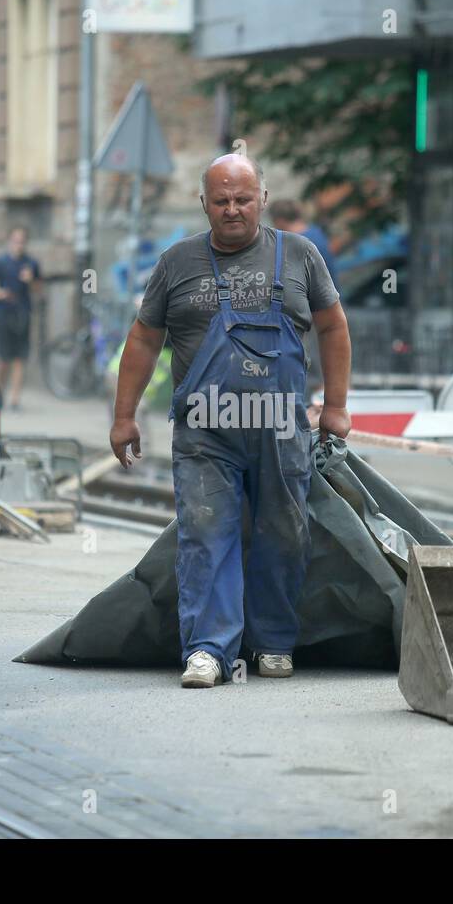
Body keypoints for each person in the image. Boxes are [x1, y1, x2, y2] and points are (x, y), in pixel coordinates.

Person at [109, 154, 352, 689]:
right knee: (205, 530)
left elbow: (333, 327)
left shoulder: (301, 257)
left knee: (283, 531)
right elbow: (144, 339)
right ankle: (208, 650)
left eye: (243, 198)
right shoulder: (176, 263)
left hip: (281, 428)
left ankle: (273, 641)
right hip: (205, 431)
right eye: (221, 200)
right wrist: (124, 416)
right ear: (204, 204)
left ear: (262, 199)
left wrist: (335, 405)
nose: (232, 209)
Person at [269, 200, 339, 399]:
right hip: (327, 307)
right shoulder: (316, 234)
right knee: (326, 362)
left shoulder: (295, 243)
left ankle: (316, 410)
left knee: (315, 367)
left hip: (311, 313)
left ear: (280, 220)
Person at [0, 226, 41, 411]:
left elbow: (38, 290)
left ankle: (15, 399)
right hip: (4, 312)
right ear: (10, 241)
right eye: (16, 240)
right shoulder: (0, 262)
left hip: (23, 312)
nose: (19, 244)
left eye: (22, 241)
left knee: (20, 357)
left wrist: (31, 280)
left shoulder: (31, 263)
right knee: (4, 358)